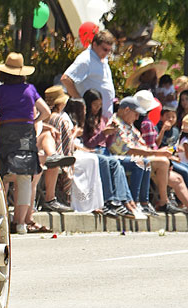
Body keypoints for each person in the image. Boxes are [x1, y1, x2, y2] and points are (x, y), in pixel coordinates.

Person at [0, 52, 51, 234]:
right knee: (25, 179)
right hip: (26, 135)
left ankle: (1, 219)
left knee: (2, 176)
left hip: (5, 133)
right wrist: (34, 121)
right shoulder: (30, 89)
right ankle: (20, 223)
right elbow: (46, 112)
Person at [109, 95, 188, 215]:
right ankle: (147, 202)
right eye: (136, 114)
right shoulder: (116, 124)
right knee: (161, 163)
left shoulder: (130, 125)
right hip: (123, 158)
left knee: (177, 174)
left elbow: (142, 145)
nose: (137, 118)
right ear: (126, 110)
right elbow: (128, 149)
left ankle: (161, 201)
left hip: (141, 157)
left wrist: (161, 153)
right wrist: (157, 153)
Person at [80, 89, 144, 218]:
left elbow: (107, 144)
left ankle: (121, 200)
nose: (97, 108)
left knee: (117, 164)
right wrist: (103, 133)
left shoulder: (102, 119)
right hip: (92, 151)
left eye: (99, 105)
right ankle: (110, 199)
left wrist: (111, 134)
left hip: (104, 151)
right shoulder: (85, 120)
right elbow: (89, 143)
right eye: (95, 105)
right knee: (107, 161)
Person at [61, 28, 116, 118]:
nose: (107, 53)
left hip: (103, 117)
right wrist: (80, 101)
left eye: (109, 50)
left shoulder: (103, 59)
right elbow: (66, 78)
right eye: (105, 49)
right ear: (94, 45)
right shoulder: (86, 59)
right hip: (91, 116)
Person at [39, 86, 78, 212]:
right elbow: (68, 143)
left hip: (44, 152)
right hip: (60, 153)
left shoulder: (41, 117)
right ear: (61, 103)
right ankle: (81, 203)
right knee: (91, 162)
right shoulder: (61, 119)